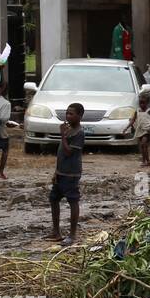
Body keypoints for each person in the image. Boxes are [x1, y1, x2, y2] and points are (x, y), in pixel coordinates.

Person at [50, 102, 85, 246]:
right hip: (61, 172)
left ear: (80, 116)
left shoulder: (78, 133)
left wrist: (63, 136)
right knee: (53, 199)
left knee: (73, 201)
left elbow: (69, 152)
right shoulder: (69, 130)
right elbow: (61, 155)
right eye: (67, 113)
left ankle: (72, 235)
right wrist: (55, 172)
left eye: (71, 113)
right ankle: (56, 232)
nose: (68, 116)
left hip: (71, 174)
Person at [130, 93, 150, 167]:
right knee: (142, 147)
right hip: (139, 130)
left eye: (143, 103)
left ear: (147, 103)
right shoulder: (137, 111)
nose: (142, 104)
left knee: (144, 144)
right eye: (140, 103)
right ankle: (145, 161)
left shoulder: (149, 111)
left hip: (147, 130)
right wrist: (126, 128)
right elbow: (133, 120)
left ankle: (147, 161)